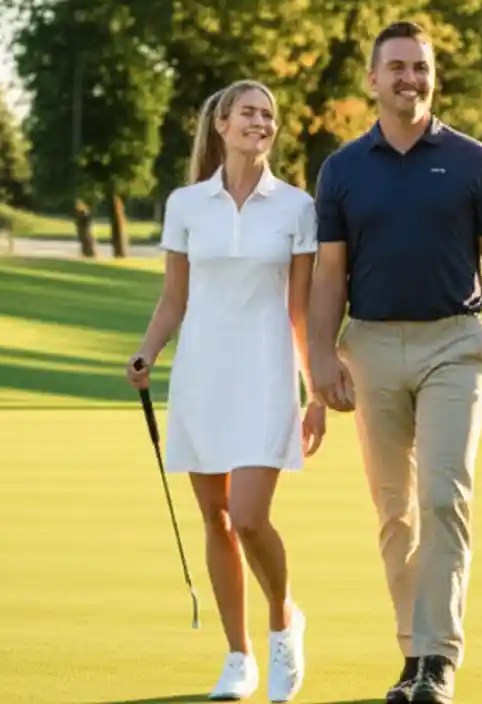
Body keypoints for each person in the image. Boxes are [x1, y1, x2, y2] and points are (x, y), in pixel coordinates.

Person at [307, 21, 482, 704]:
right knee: (394, 512)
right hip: (372, 346)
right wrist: (320, 356)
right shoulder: (342, 169)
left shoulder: (471, 160)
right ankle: (413, 653)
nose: (410, 78)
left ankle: (439, 658)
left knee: (443, 497)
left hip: (453, 345)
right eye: (397, 67)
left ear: (432, 78)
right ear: (373, 80)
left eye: (421, 68)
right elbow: (328, 275)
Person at [126, 80, 325, 703]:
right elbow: (174, 298)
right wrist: (147, 352)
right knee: (215, 518)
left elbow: (300, 312)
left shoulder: (296, 207)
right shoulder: (186, 204)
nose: (260, 123)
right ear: (221, 124)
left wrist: (315, 391)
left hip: (266, 375)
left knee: (249, 516)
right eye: (249, 113)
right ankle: (238, 657)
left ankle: (282, 622)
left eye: (268, 115)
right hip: (201, 376)